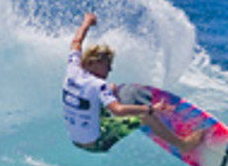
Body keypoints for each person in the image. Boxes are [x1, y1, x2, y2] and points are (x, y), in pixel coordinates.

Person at [61, 12, 205, 153]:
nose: (110, 70)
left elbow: (76, 42)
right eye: (107, 65)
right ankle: (183, 145)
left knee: (112, 88)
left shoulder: (73, 68)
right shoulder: (99, 86)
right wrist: (150, 108)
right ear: (94, 62)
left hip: (76, 140)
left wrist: (86, 22)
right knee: (145, 117)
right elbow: (117, 110)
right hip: (97, 143)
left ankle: (109, 109)